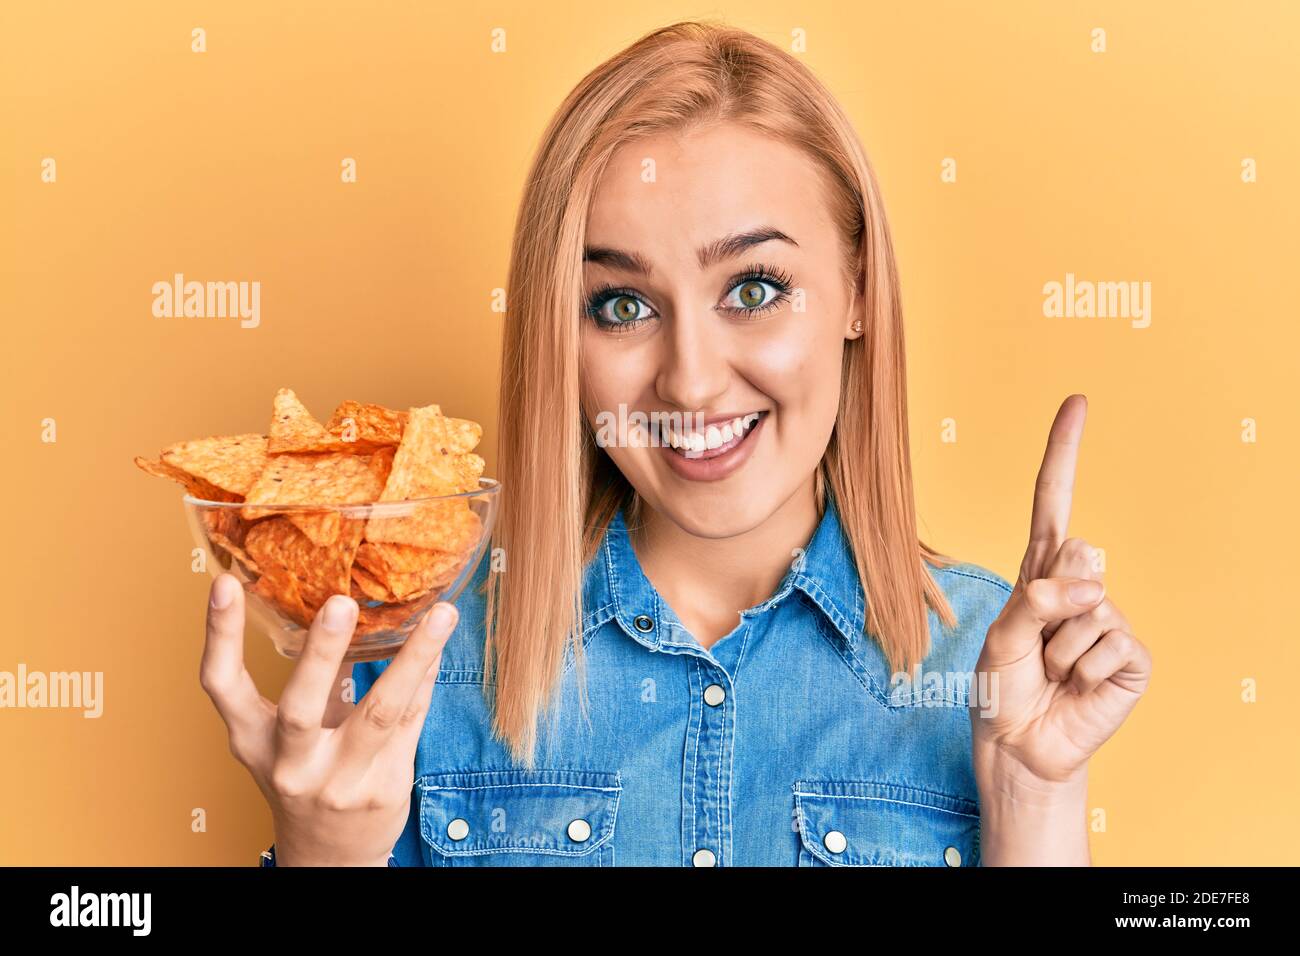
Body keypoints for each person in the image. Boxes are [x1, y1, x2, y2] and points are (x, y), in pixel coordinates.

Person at [200, 20, 1151, 867]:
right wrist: (325, 853)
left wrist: (1033, 797)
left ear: (860, 290)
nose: (689, 380)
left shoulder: (992, 673)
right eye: (622, 305)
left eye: (752, 288)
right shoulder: (417, 660)